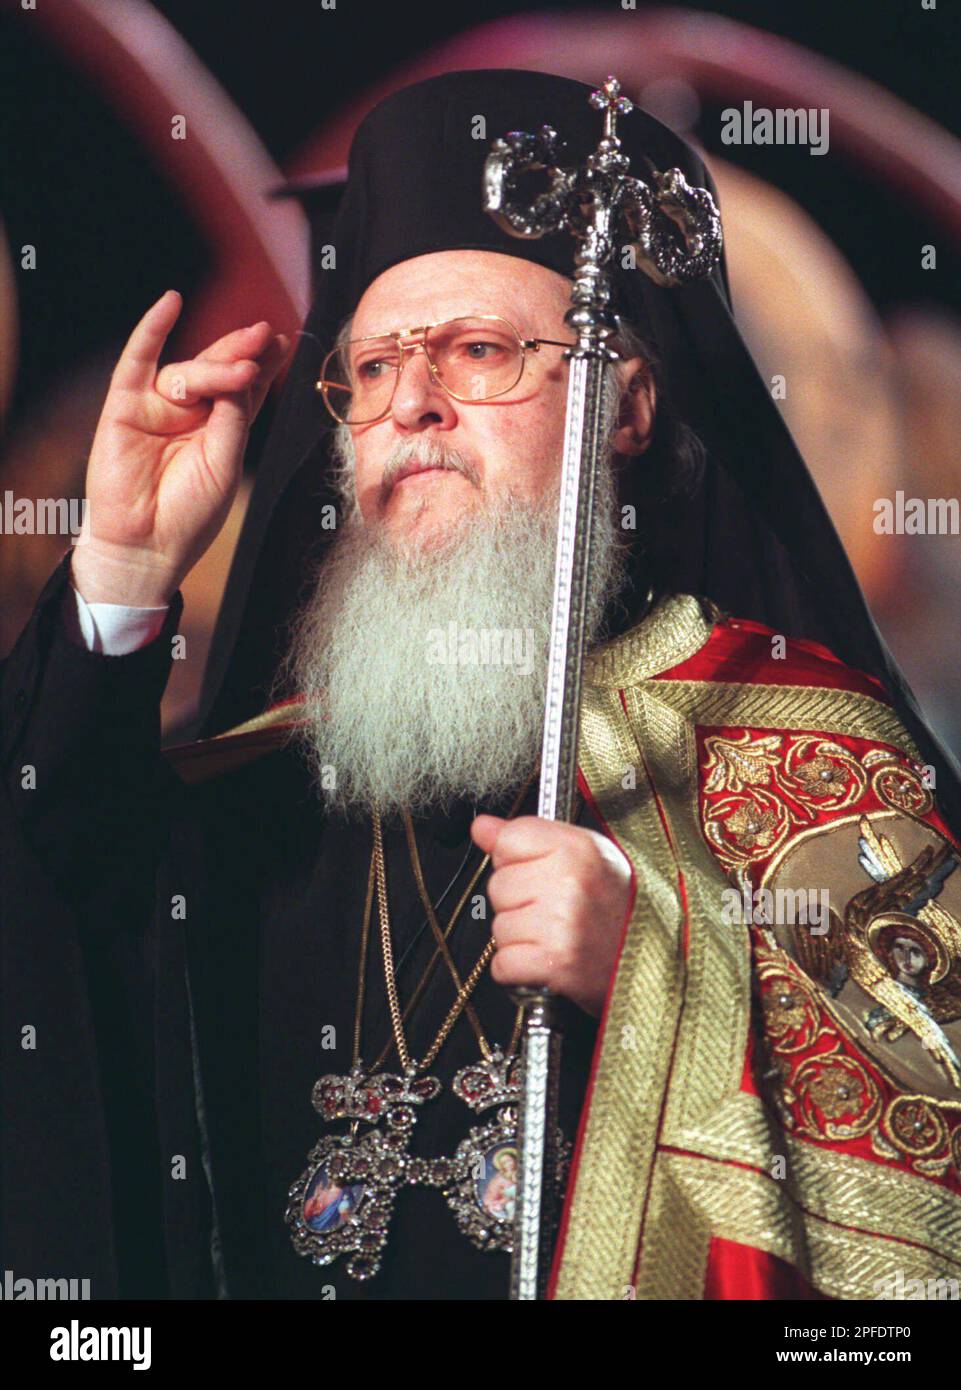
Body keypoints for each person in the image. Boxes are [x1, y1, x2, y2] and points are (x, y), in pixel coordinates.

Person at [3, 69, 961, 1302]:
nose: (413, 404)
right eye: (373, 368)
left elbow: (933, 1151)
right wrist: (125, 568)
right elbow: (52, 933)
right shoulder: (271, 781)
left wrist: (658, 970)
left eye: (479, 352)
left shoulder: (796, 754)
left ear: (626, 404)